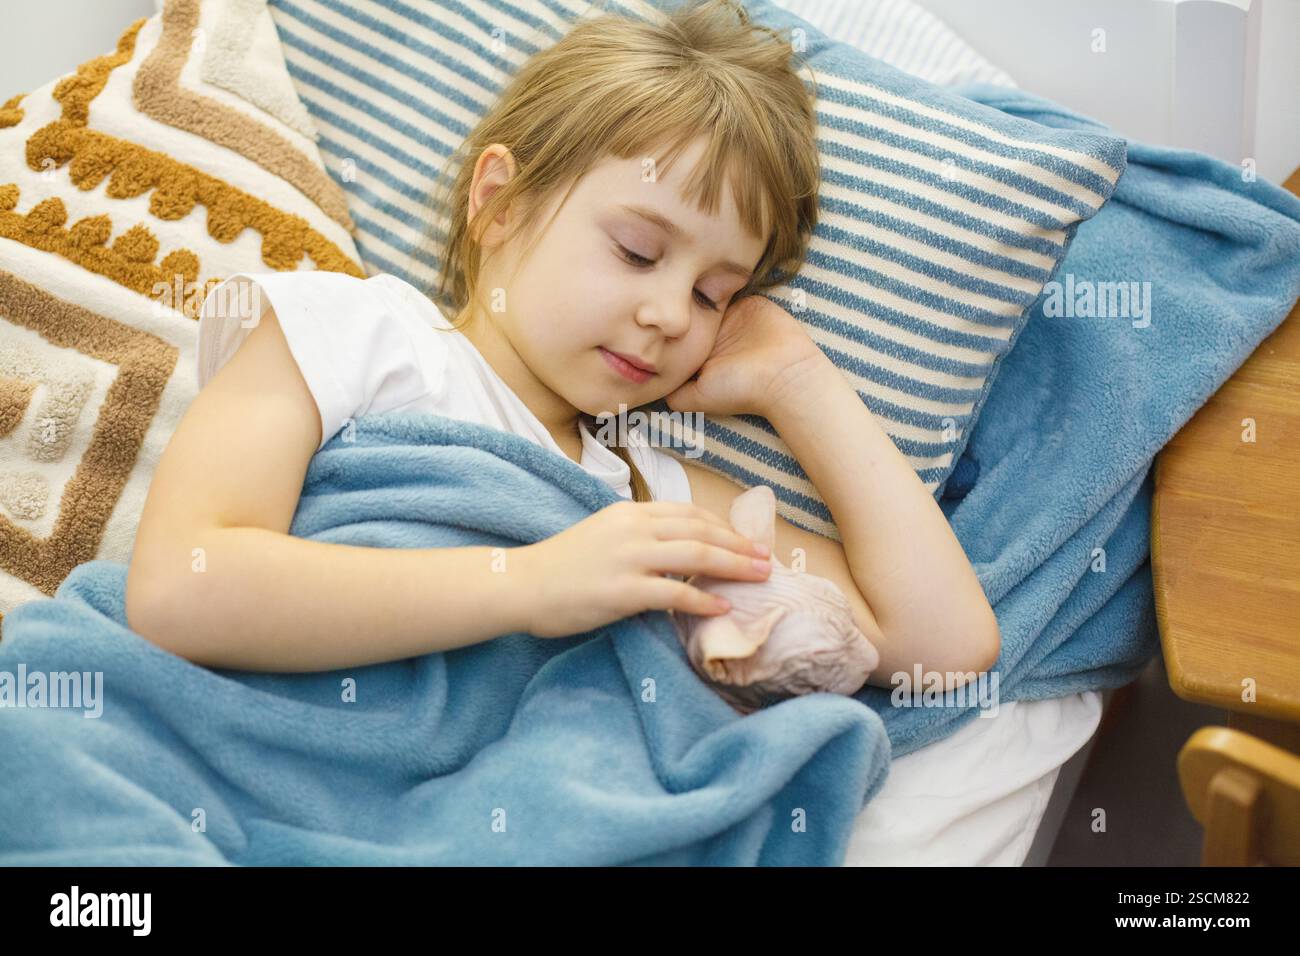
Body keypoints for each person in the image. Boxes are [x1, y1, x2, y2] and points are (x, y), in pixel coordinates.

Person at [126, 0, 998, 687]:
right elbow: (180, 587)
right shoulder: (353, 332)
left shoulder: (645, 489)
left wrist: (801, 384)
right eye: (636, 251)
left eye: (711, 294)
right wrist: (532, 585)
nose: (668, 314)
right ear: (501, 204)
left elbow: (939, 648)